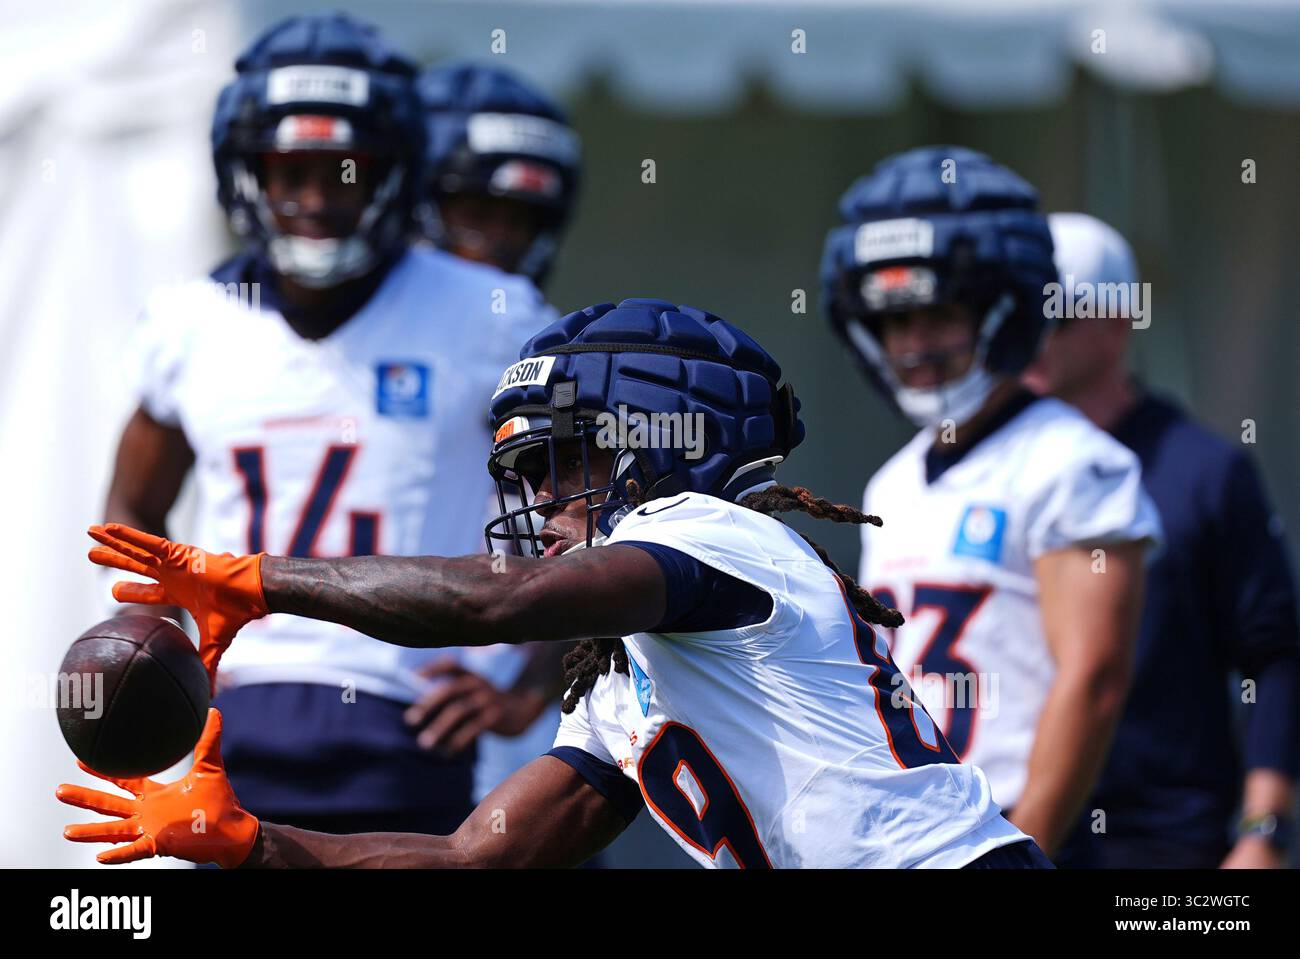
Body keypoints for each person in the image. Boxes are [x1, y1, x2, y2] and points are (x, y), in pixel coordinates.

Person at [64, 298, 1048, 869]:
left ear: (666, 439)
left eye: (557, 461)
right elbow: (468, 860)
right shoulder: (627, 679)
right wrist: (252, 842)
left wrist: (256, 578)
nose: (536, 498)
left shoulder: (716, 534)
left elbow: (497, 603)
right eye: (523, 474)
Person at [100, 13, 552, 837]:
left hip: (410, 725)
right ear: (244, 171)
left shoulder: (488, 315)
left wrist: (533, 677)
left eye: (343, 170)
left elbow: (595, 520)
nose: (312, 195)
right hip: (232, 721)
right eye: (288, 168)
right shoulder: (191, 320)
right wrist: (161, 643)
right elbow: (130, 511)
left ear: (394, 172)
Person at [820, 147, 1161, 857]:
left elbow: (1094, 677)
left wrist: (1020, 847)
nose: (913, 343)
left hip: (1018, 831)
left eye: (938, 312)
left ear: (1002, 306)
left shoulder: (1075, 461)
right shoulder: (894, 480)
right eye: (893, 319)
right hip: (918, 833)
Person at [1023, 212, 1300, 868]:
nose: (1030, 339)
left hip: (1163, 847)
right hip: (1005, 832)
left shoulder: (1204, 471)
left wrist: (1264, 832)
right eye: (1014, 319)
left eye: (1054, 317)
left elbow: (1277, 654)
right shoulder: (980, 471)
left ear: (1117, 324)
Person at [412, 62, 585, 804]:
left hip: (503, 756)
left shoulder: (530, 342)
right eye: (474, 208)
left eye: (522, 214)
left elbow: (605, 547)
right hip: (374, 730)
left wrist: (529, 687)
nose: (502, 237)